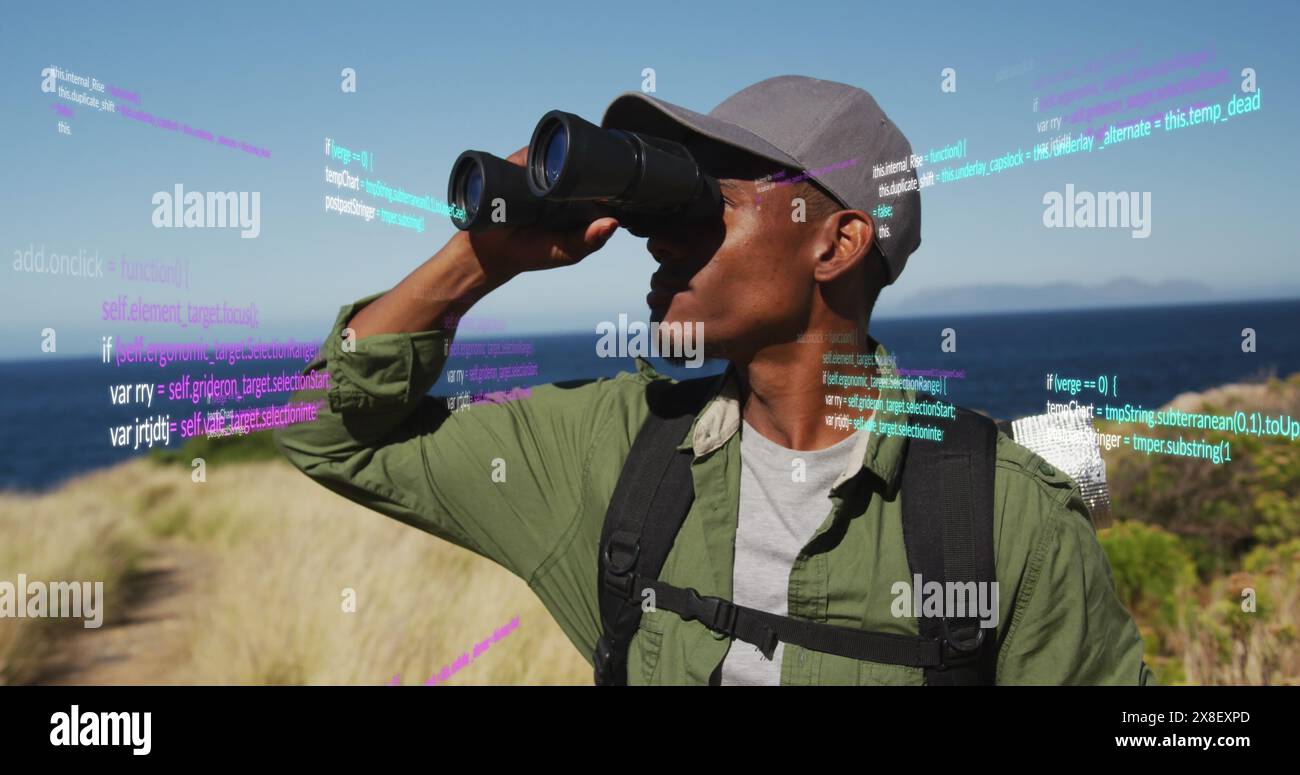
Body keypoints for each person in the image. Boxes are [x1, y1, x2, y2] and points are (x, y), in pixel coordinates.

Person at [276, 75, 1152, 685]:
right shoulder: (612, 447)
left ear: (837, 243)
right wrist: (476, 259)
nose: (662, 241)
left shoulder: (999, 514)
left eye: (706, 209)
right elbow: (320, 428)